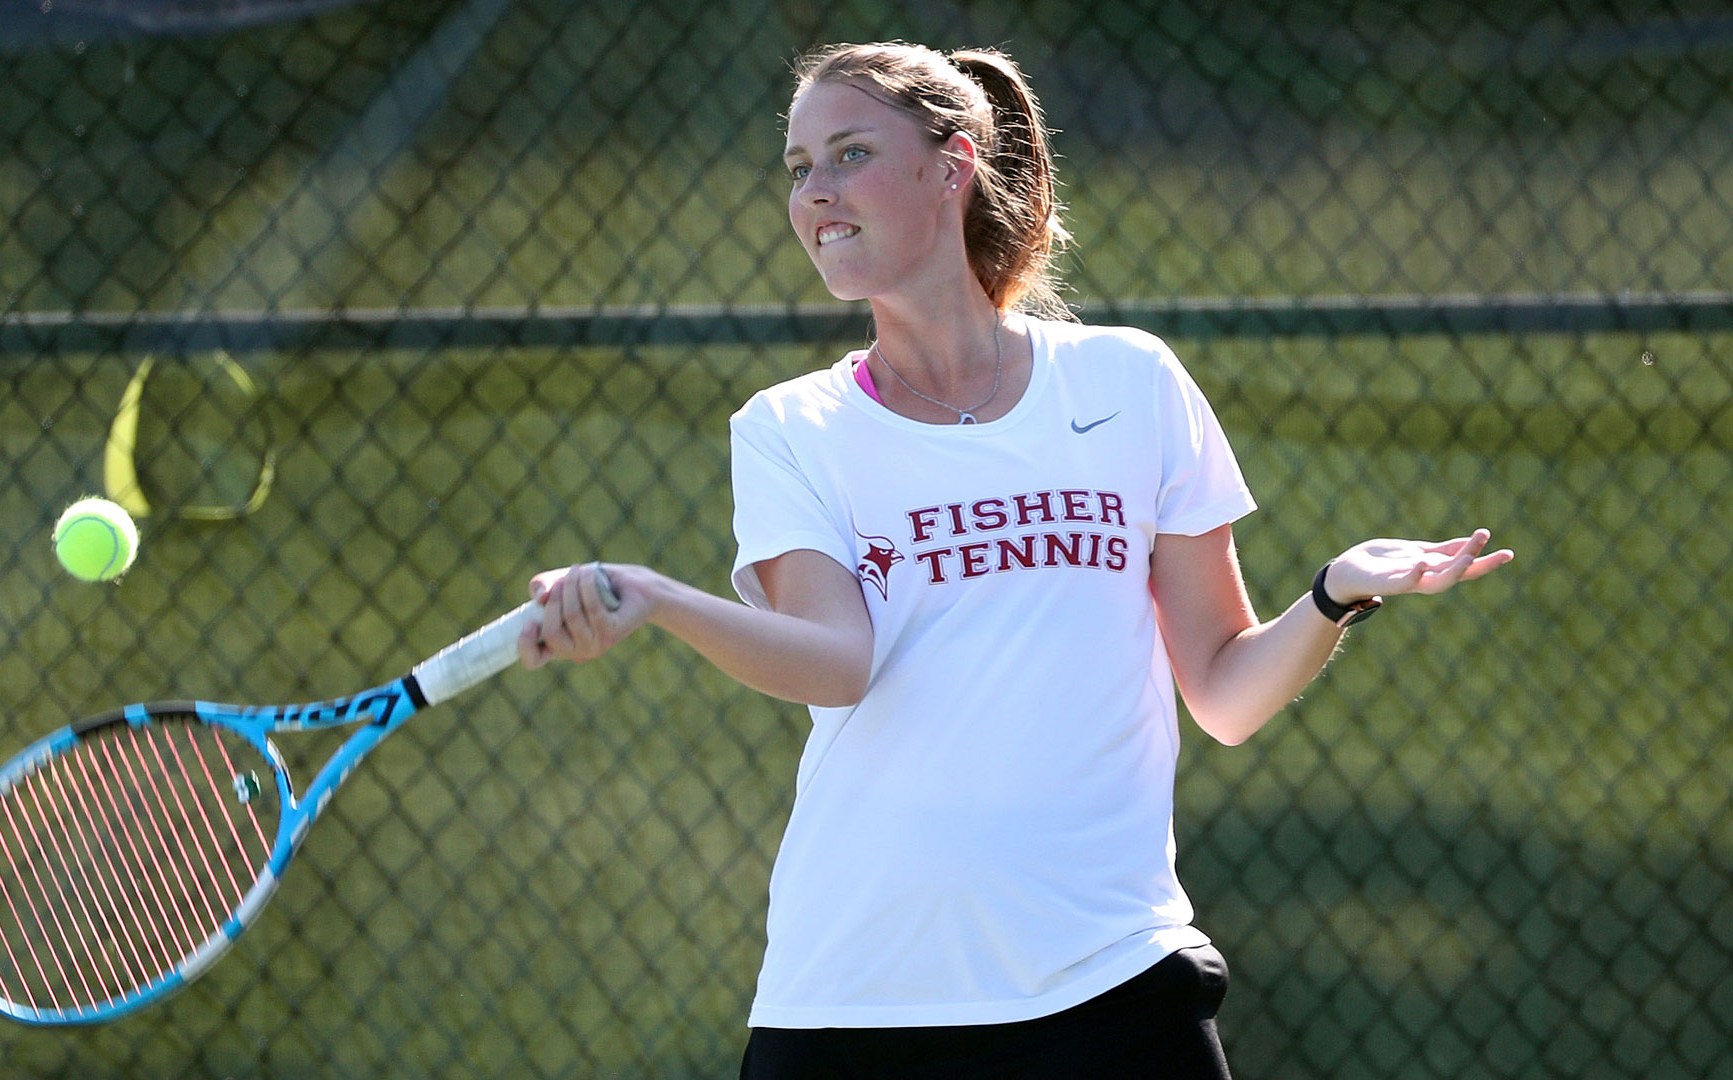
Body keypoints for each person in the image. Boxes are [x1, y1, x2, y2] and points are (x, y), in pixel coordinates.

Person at [517, 41, 1514, 1080]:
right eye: (799, 168)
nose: (816, 191)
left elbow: (1223, 691)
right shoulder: (789, 428)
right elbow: (835, 661)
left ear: (951, 166)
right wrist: (660, 600)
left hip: (1118, 987)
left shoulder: (1130, 384)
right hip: (856, 1011)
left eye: (850, 154)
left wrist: (1336, 590)